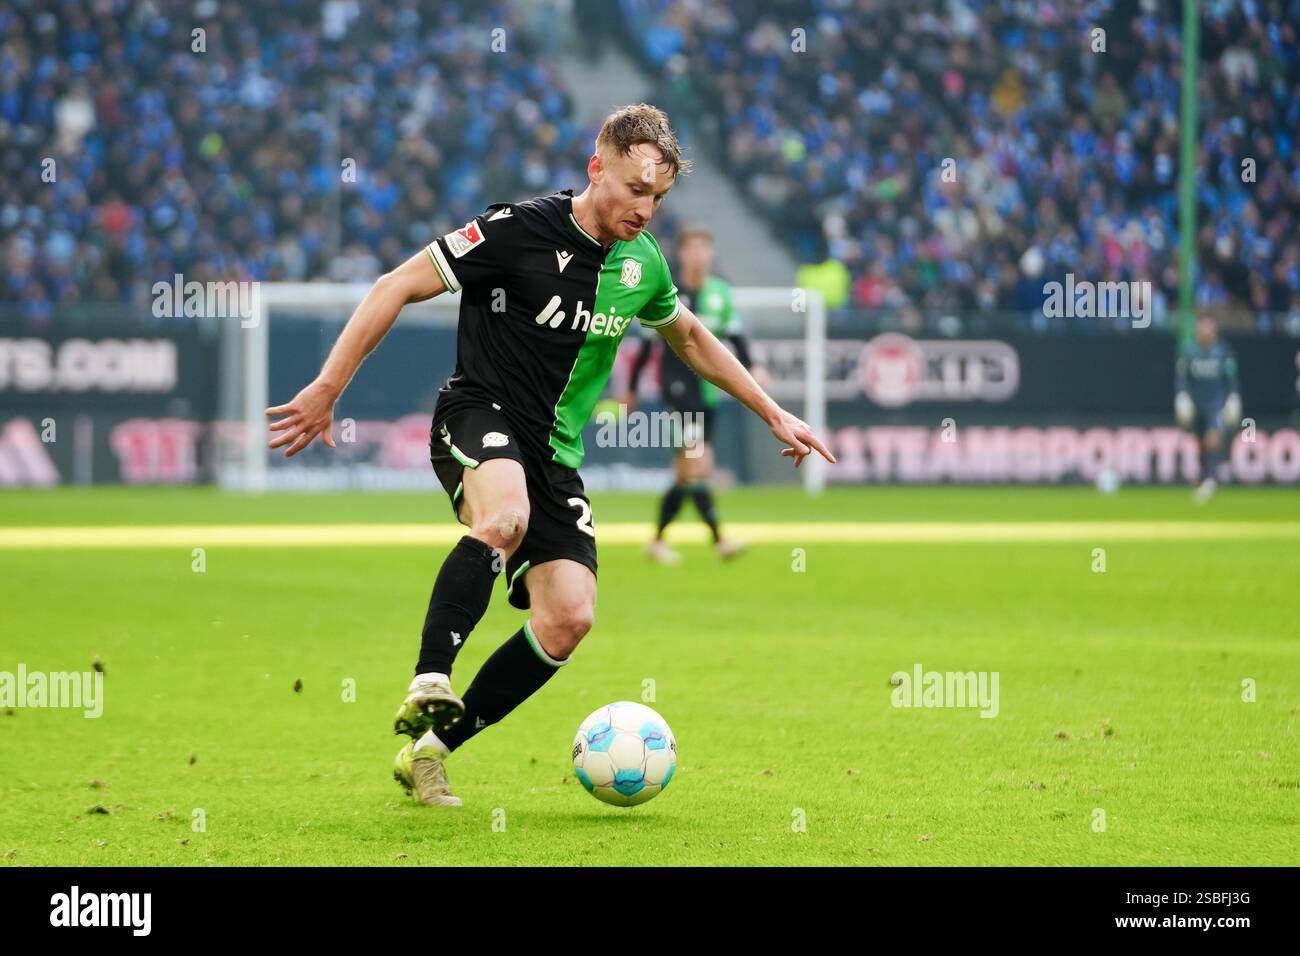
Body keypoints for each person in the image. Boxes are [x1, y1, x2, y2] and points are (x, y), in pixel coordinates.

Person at [264, 104, 835, 806]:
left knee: (570, 617)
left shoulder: (642, 263)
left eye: (656, 197)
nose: (645, 209)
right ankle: (430, 677)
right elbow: (396, 286)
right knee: (502, 516)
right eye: (633, 189)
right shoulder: (514, 231)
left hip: (555, 453)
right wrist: (328, 387)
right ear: (597, 168)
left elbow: (688, 336)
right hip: (479, 412)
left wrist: (772, 410)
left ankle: (430, 752)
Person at [626, 227, 766, 562]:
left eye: (706, 247)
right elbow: (646, 348)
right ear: (683, 253)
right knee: (697, 461)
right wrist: (631, 388)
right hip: (676, 389)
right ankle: (720, 541)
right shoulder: (667, 290)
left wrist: (754, 367)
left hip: (708, 393)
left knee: (688, 471)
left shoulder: (720, 292)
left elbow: (735, 339)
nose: (700, 254)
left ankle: (658, 541)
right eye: (694, 248)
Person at [1175, 315, 1241, 502]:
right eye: (1202, 331)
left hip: (1216, 403)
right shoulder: (1189, 352)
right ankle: (1204, 475)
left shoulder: (1222, 352)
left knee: (1213, 438)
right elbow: (1183, 377)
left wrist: (1233, 397)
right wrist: (1182, 395)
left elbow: (1230, 377)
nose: (1205, 335)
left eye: (1209, 331)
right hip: (1197, 404)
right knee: (1200, 441)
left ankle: (1211, 479)